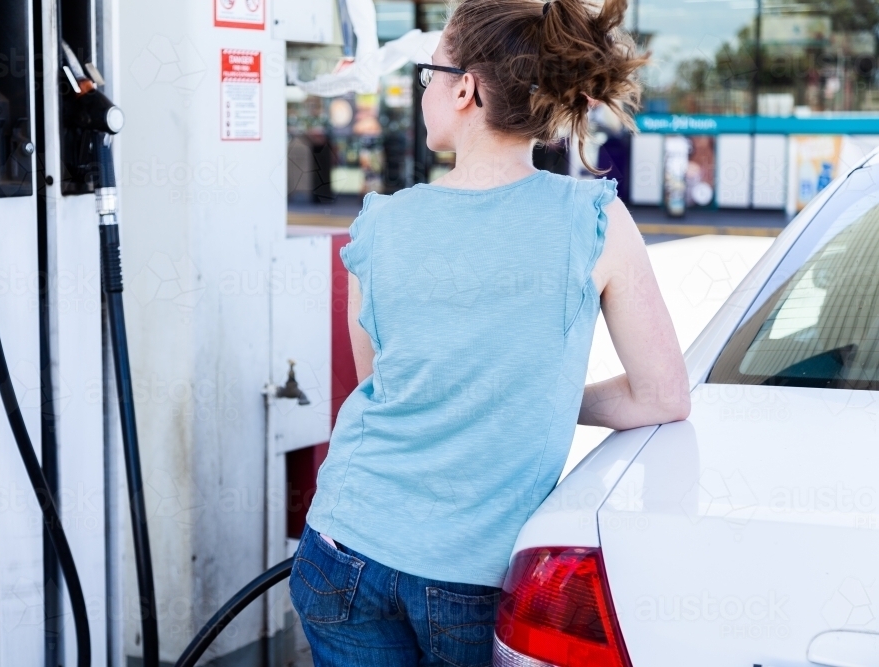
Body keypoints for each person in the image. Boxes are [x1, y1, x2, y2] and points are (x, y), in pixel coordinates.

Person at [290, 0, 689, 665]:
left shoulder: (380, 225)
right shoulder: (594, 220)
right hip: (474, 577)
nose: (423, 90)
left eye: (428, 74)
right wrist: (550, 393)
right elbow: (662, 395)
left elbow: (384, 387)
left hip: (342, 550)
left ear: (466, 87)